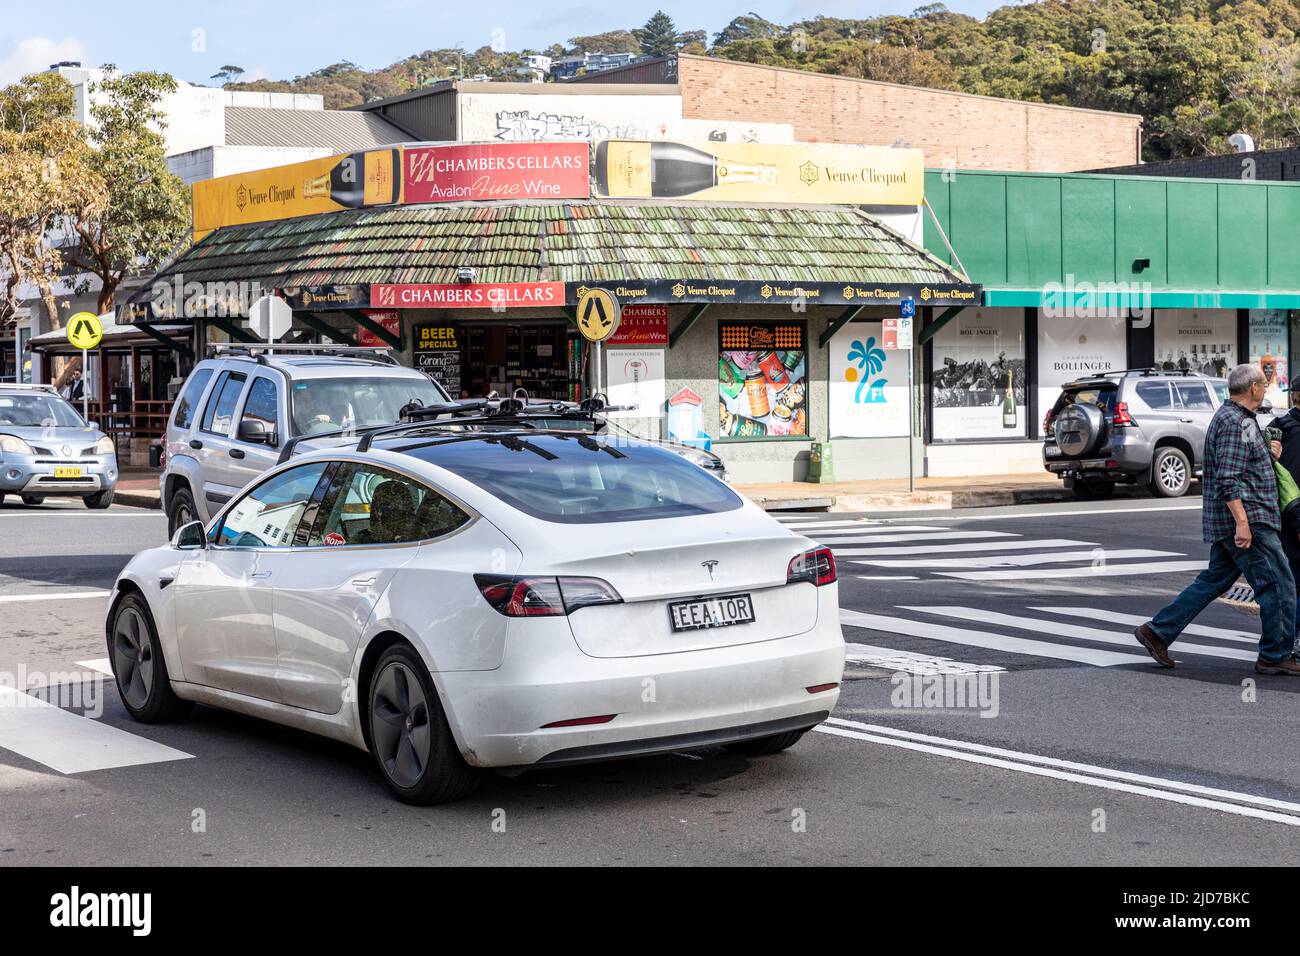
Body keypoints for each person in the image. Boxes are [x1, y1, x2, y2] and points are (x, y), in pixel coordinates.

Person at [1134, 363, 1300, 674]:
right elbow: (1228, 478)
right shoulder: (1235, 422)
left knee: (1213, 581)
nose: (1267, 388)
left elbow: (1242, 466)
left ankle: (1157, 632)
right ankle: (1274, 653)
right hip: (1250, 520)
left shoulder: (1240, 420)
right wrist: (1242, 523)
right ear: (1252, 388)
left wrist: (1269, 453)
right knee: (1279, 584)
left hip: (1242, 520)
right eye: (1264, 384)